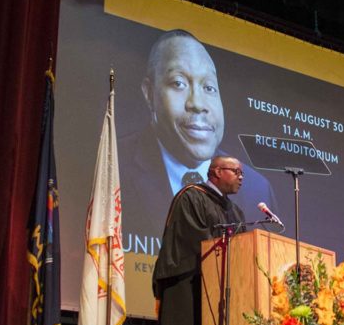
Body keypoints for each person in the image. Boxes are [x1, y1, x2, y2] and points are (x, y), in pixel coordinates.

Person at [118, 29, 277, 246]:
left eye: (209, 87)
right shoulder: (115, 166)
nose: (197, 103)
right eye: (178, 83)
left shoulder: (256, 189)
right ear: (149, 93)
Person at [153, 156, 246, 325]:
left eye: (242, 172)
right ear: (216, 172)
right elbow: (194, 240)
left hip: (220, 294)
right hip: (187, 287)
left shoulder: (235, 211)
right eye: (235, 171)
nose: (241, 177)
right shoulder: (191, 197)